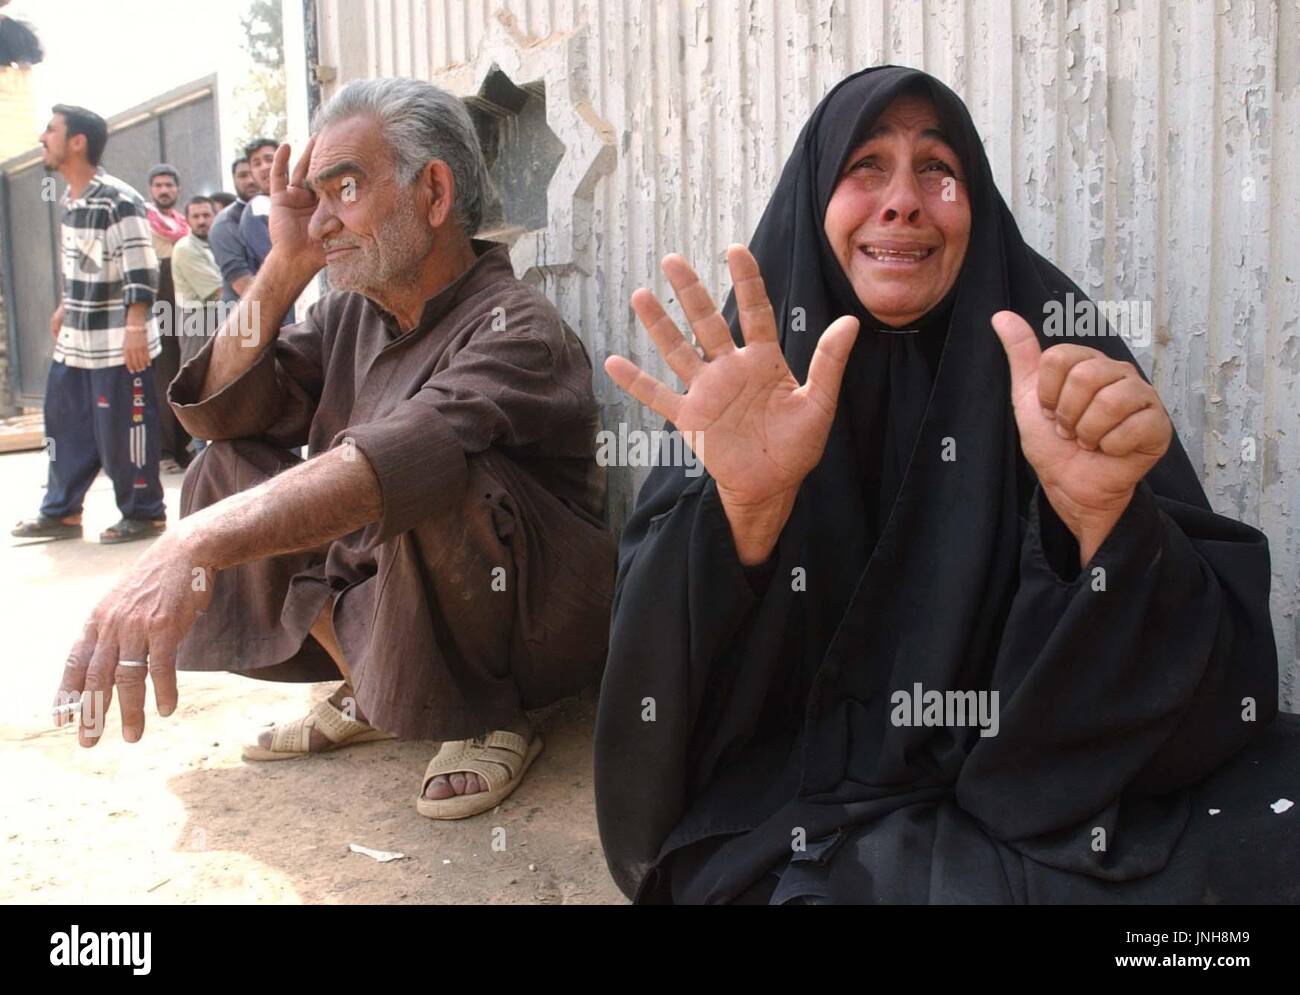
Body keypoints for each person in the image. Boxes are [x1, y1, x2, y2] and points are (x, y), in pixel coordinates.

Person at [594, 66, 1300, 904]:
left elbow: (1216, 673)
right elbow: (651, 696)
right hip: (793, 798)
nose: (903, 201)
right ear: (817, 192)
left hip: (1042, 779)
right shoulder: (745, 368)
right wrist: (745, 516)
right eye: (867, 167)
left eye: (938, 168)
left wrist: (1105, 524)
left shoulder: (1045, 337)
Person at [52, 78, 616, 823]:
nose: (321, 223)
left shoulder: (518, 326)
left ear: (435, 192)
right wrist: (284, 268)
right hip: (384, 587)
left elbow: (403, 455)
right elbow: (227, 410)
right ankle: (370, 683)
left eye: (343, 190)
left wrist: (188, 543)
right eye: (313, 199)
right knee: (227, 464)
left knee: (435, 474)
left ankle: (489, 712)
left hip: (532, 622)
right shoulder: (354, 308)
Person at [11, 105, 165, 544]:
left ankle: (144, 512)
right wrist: (64, 306)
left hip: (118, 344)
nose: (43, 137)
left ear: (77, 142)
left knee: (125, 430)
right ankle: (61, 511)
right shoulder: (70, 201)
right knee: (65, 425)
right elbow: (83, 263)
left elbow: (142, 267)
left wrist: (135, 327)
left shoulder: (120, 200)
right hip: (77, 342)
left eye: (51, 130)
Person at [145, 163, 192, 473]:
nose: (164, 190)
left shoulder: (185, 225)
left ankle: (182, 446)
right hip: (157, 301)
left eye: (169, 185)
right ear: (151, 190)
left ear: (177, 189)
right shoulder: (144, 223)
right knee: (161, 378)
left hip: (185, 305)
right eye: (159, 185)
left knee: (184, 373)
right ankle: (163, 451)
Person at [209, 139, 275, 305]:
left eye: (269, 160)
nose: (250, 181)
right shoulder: (224, 224)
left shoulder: (272, 209)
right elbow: (243, 285)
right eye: (242, 176)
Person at [170, 195, 222, 367]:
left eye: (206, 215)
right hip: (199, 319)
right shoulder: (186, 248)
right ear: (187, 220)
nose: (201, 221)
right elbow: (217, 291)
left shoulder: (216, 243)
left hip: (219, 314)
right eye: (196, 216)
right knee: (196, 373)